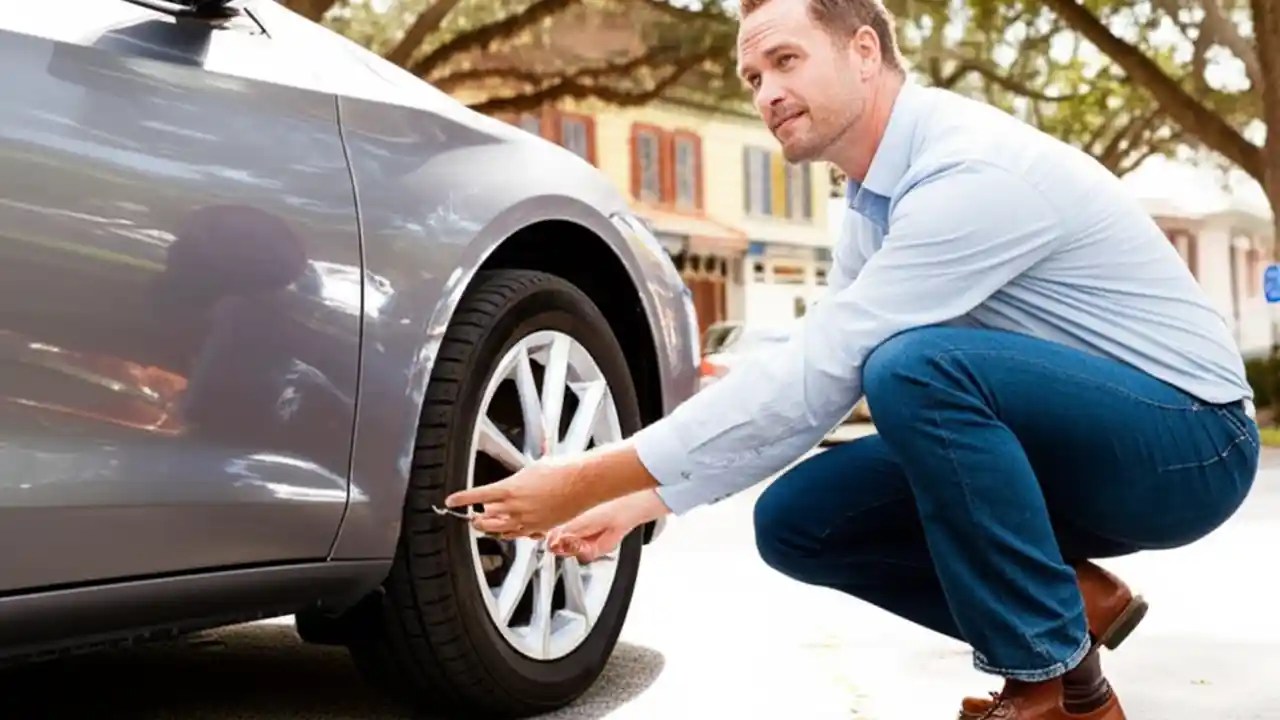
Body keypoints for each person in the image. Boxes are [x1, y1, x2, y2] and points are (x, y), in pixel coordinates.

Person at [445, 0, 1260, 717]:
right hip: (1070, 451)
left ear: (864, 52)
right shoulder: (874, 202)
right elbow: (810, 384)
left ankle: (1044, 681)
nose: (766, 93)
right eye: (752, 76)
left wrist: (592, 477)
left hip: (1189, 445)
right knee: (800, 522)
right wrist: (646, 501)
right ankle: (1069, 614)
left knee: (914, 369)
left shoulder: (965, 171)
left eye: (786, 60)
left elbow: (826, 370)